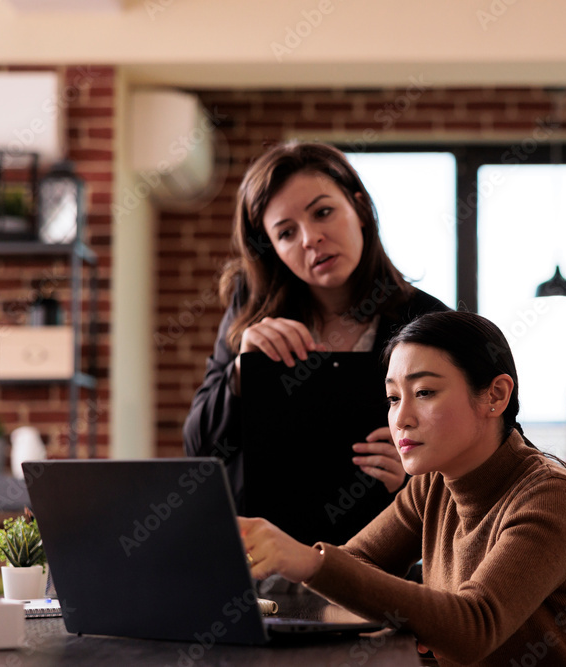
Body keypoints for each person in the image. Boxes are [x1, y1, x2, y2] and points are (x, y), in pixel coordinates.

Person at [238, 311, 566, 667]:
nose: (401, 418)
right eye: (393, 398)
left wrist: (308, 561)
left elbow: (473, 627)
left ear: (495, 395)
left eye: (423, 392)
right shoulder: (432, 486)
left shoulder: (552, 495)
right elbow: (353, 570)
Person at [183, 141, 448, 510]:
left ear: (359, 208)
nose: (310, 239)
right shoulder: (252, 312)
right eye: (287, 233)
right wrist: (242, 371)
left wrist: (415, 479)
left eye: (322, 212)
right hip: (262, 551)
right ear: (272, 248)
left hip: (376, 553)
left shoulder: (427, 321)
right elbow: (199, 448)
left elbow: (470, 461)